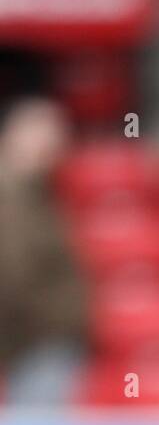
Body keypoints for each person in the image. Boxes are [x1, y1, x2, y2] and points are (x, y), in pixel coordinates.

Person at [0, 98, 87, 405]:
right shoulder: (11, 194)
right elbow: (14, 272)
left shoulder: (39, 190)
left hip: (43, 340)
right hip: (36, 341)